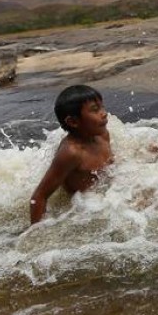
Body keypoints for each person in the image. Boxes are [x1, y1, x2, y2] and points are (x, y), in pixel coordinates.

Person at [28, 85, 114, 224]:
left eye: (102, 107)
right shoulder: (71, 153)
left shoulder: (102, 135)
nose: (104, 113)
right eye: (95, 109)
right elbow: (39, 196)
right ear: (73, 122)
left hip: (109, 196)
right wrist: (34, 235)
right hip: (83, 210)